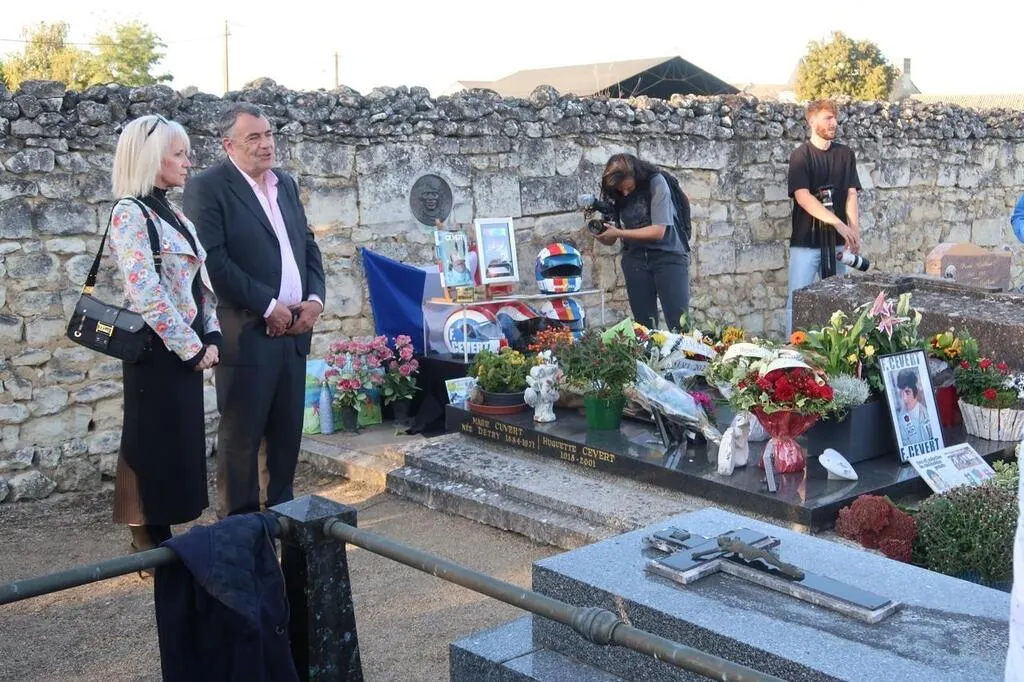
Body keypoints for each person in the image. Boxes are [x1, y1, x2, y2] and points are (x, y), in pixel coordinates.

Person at [183, 102, 326, 517]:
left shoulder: (286, 183)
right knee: (241, 440)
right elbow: (214, 259)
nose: (266, 145)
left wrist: (314, 300)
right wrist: (268, 306)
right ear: (229, 144)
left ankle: (282, 519)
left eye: (268, 134)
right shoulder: (209, 187)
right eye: (254, 138)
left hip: (295, 331)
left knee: (286, 437)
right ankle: (240, 531)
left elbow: (308, 244)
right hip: (246, 334)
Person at [108, 114, 222, 552]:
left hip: (184, 348)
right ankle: (146, 536)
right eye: (179, 154)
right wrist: (192, 348)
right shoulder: (129, 212)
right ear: (152, 158)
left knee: (178, 439)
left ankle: (163, 537)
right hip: (157, 350)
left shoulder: (172, 212)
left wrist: (212, 336)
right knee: (151, 439)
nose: (188, 162)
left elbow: (199, 283)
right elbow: (146, 292)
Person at [785, 99, 863, 335]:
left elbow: (851, 193)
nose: (834, 123)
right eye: (828, 118)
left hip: (839, 243)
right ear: (812, 120)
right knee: (798, 301)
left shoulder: (845, 154)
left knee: (841, 304)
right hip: (806, 242)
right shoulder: (801, 156)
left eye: (835, 118)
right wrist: (838, 223)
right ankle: (792, 356)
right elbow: (803, 197)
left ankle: (841, 355)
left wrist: (854, 230)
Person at [590, 153, 692, 331]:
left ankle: (688, 358)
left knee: (679, 324)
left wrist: (620, 233)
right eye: (620, 190)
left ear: (635, 174)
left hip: (668, 256)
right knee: (644, 328)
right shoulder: (616, 193)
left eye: (627, 187)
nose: (625, 192)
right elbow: (613, 236)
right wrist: (607, 235)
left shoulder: (656, 182)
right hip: (635, 259)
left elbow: (658, 231)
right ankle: (650, 357)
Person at [896, 368, 934, 446]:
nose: (904, 398)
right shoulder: (900, 421)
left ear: (915, 391)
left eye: (907, 392)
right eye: (901, 393)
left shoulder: (929, 412)